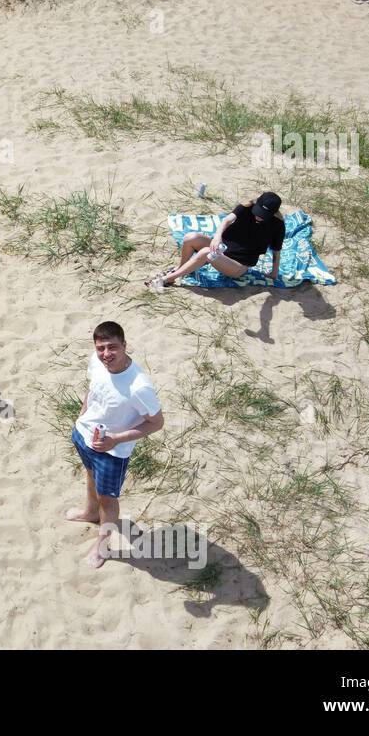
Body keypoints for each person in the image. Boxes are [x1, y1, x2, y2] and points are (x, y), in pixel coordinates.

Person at [65, 322, 164, 569]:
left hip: (113, 451)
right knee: (90, 477)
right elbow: (92, 390)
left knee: (108, 499)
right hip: (84, 435)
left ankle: (102, 546)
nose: (106, 354)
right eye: (101, 348)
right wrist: (82, 415)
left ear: (124, 346)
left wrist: (115, 439)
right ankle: (90, 512)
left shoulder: (139, 387)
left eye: (112, 347)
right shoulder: (96, 362)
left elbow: (157, 423)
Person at [146, 192, 285, 289]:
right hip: (223, 249)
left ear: (272, 214)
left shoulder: (277, 225)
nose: (259, 216)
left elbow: (276, 251)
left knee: (206, 252)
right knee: (190, 238)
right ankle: (182, 268)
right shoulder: (246, 207)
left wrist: (274, 274)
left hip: (238, 265)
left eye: (263, 215)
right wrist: (217, 236)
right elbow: (227, 220)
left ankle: (169, 279)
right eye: (258, 212)